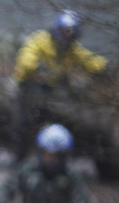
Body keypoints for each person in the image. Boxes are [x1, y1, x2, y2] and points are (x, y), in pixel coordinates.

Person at [12, 10, 108, 156]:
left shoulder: (71, 49)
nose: (68, 36)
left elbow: (87, 59)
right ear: (57, 28)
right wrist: (35, 67)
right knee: (27, 120)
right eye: (66, 31)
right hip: (31, 85)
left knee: (73, 112)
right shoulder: (40, 40)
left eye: (72, 32)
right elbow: (27, 55)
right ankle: (19, 155)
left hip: (54, 89)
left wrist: (103, 67)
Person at [0, 123, 90, 203]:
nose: (50, 159)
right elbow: (8, 186)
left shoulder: (71, 176)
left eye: (55, 155)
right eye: (47, 154)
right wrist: (0, 198)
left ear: (63, 156)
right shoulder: (27, 169)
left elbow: (80, 201)